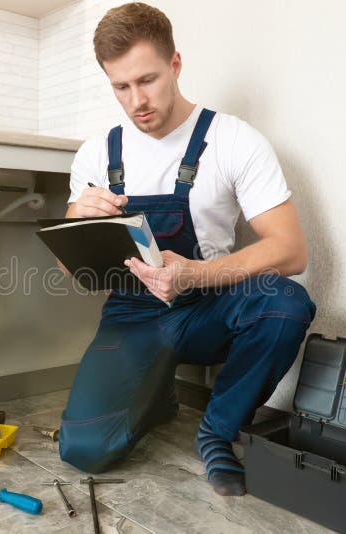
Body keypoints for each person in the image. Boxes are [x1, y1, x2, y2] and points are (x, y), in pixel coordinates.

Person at [57, 2, 316, 497]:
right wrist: (76, 219)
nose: (137, 101)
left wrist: (194, 274)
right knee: (85, 450)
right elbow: (71, 273)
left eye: (147, 80)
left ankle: (217, 431)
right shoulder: (96, 153)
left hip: (208, 304)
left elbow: (291, 250)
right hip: (133, 313)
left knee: (286, 304)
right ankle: (156, 400)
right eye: (121, 87)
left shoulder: (233, 140)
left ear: (175, 65)